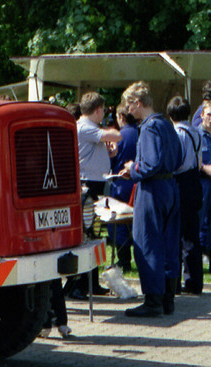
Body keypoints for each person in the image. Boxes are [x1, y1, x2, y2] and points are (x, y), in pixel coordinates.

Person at [117, 82, 182, 317]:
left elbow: (150, 163)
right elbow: (179, 157)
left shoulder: (149, 127)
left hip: (152, 189)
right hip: (170, 186)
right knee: (169, 243)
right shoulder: (166, 124)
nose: (127, 110)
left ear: (137, 103)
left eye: (129, 105)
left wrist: (132, 168)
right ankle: (168, 299)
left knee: (148, 243)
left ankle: (153, 301)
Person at [68, 92, 120, 299]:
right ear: (98, 110)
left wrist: (108, 152)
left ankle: (92, 282)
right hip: (88, 185)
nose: (104, 115)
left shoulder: (91, 128)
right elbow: (116, 135)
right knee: (88, 234)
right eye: (103, 111)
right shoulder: (85, 127)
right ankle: (80, 285)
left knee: (95, 233)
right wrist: (111, 134)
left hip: (95, 183)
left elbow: (105, 146)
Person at [168, 96, 203, 296]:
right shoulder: (195, 132)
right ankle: (194, 282)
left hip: (180, 182)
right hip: (194, 181)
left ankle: (174, 282)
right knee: (192, 235)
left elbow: (176, 162)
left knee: (176, 234)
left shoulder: (177, 133)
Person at [109, 104, 139, 271]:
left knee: (119, 222)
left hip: (121, 184)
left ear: (120, 117)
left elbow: (111, 160)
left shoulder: (118, 136)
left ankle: (124, 259)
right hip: (139, 183)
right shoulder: (141, 133)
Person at [192, 103, 211, 294]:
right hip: (202, 183)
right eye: (209, 115)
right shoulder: (196, 134)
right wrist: (205, 167)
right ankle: (199, 259)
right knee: (200, 222)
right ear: (202, 115)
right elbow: (193, 161)